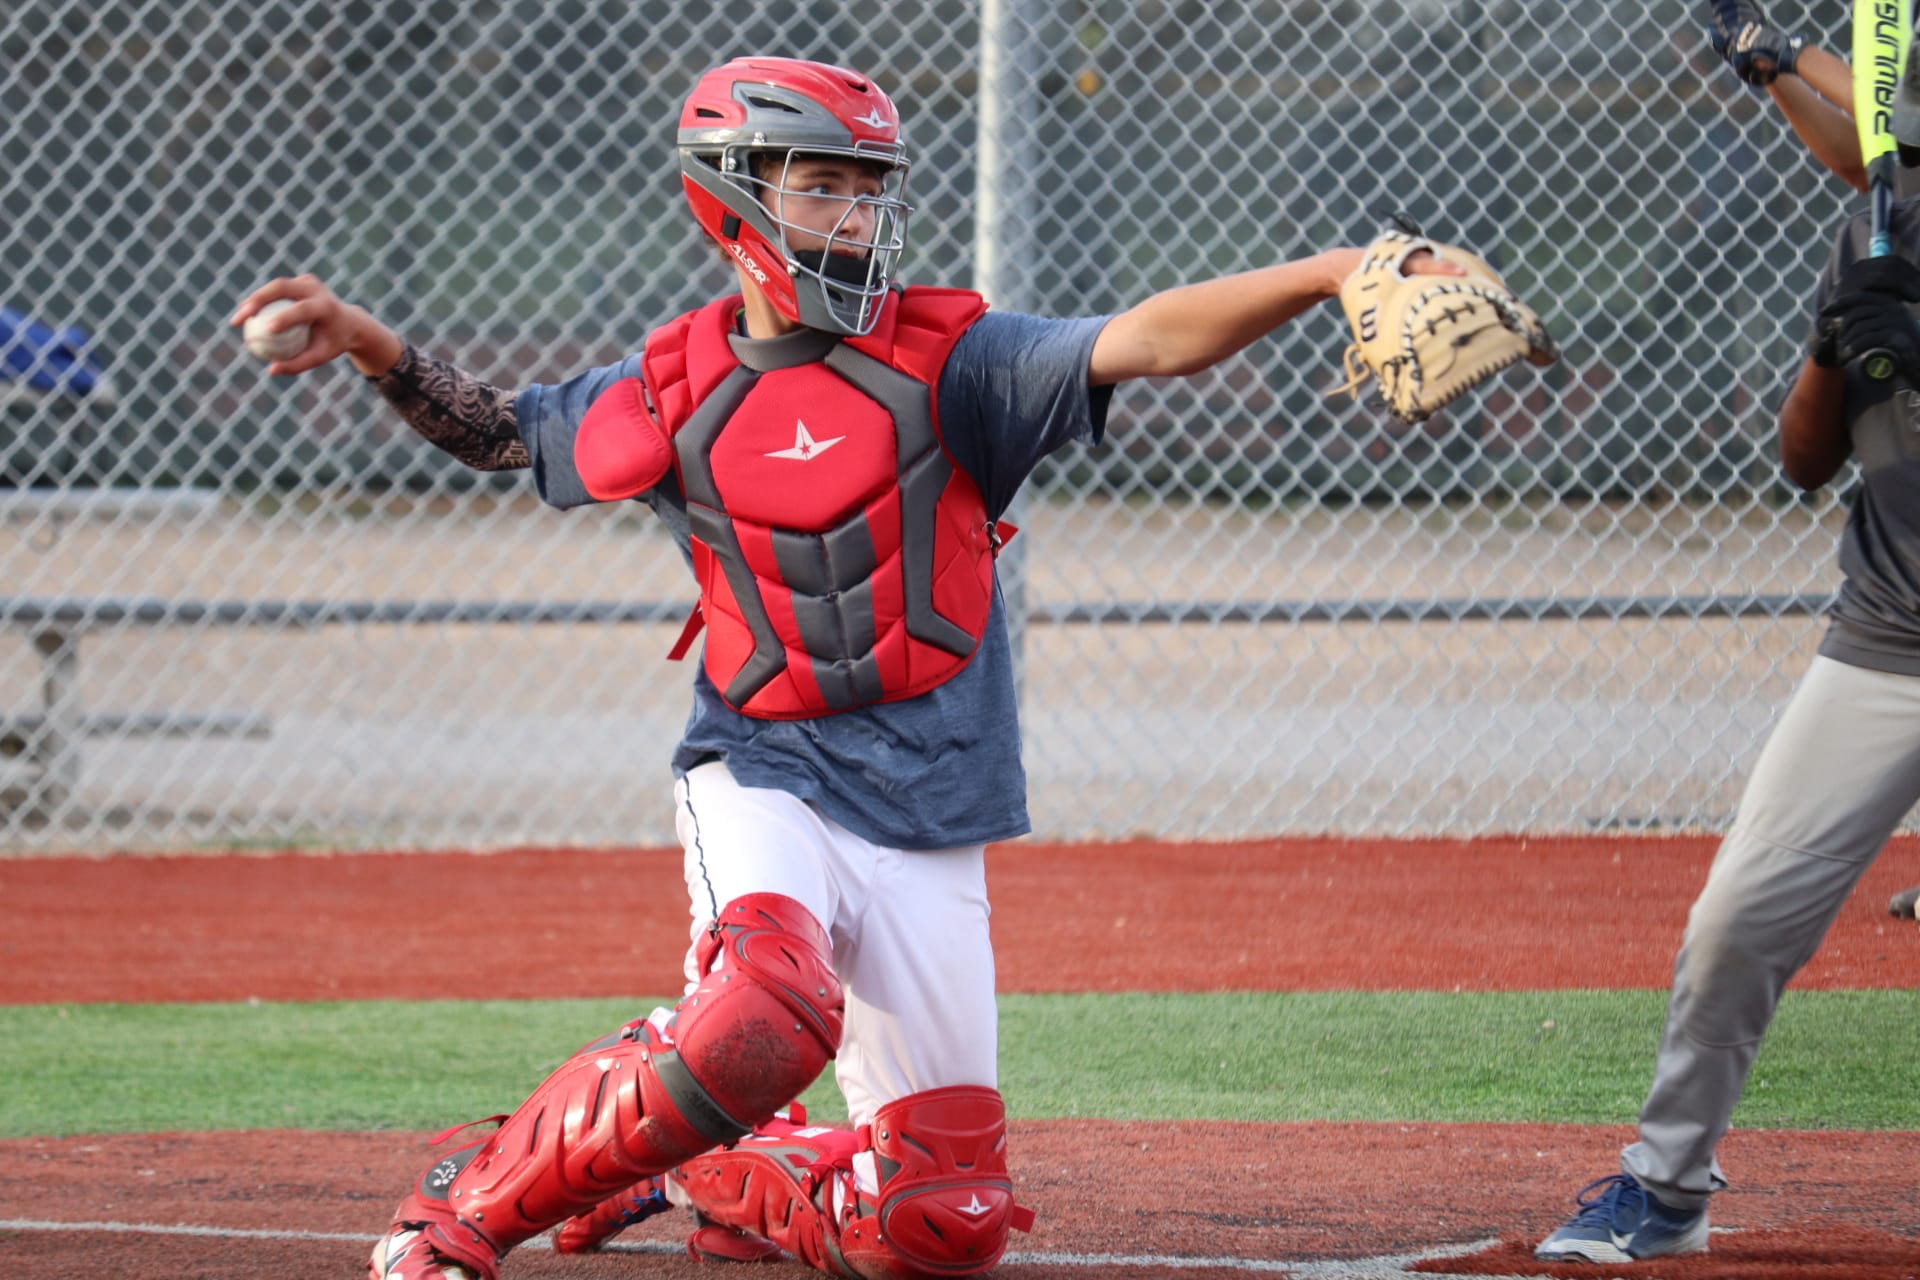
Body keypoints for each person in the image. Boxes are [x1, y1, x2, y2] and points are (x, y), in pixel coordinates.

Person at [232, 56, 1467, 1280]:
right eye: (823, 184)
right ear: (732, 196)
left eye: (871, 188)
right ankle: (460, 1213)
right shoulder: (670, 384)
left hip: (938, 804)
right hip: (766, 770)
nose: (857, 216)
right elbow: (502, 429)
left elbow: (1140, 339)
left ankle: (712, 1169)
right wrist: (368, 341)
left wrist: (1332, 271)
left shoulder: (956, 359)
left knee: (941, 1227)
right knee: (764, 1006)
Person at [1532, 9, 1920, 1264]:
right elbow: (1803, 462)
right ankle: (1667, 1183)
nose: (1898, 161)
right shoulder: (1883, 230)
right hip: (1889, 639)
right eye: (1901, 143)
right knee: (1735, 921)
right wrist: (1837, 344)